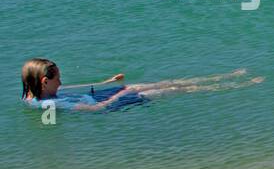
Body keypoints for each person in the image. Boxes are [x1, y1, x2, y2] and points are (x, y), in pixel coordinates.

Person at [20, 59, 261, 112]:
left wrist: (106, 83)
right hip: (109, 104)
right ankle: (233, 85)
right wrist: (120, 94)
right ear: (44, 82)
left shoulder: (38, 93)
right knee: (169, 90)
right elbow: (97, 109)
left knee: (159, 82)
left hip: (103, 94)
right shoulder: (47, 107)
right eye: (57, 78)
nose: (61, 81)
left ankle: (224, 75)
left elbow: (70, 89)